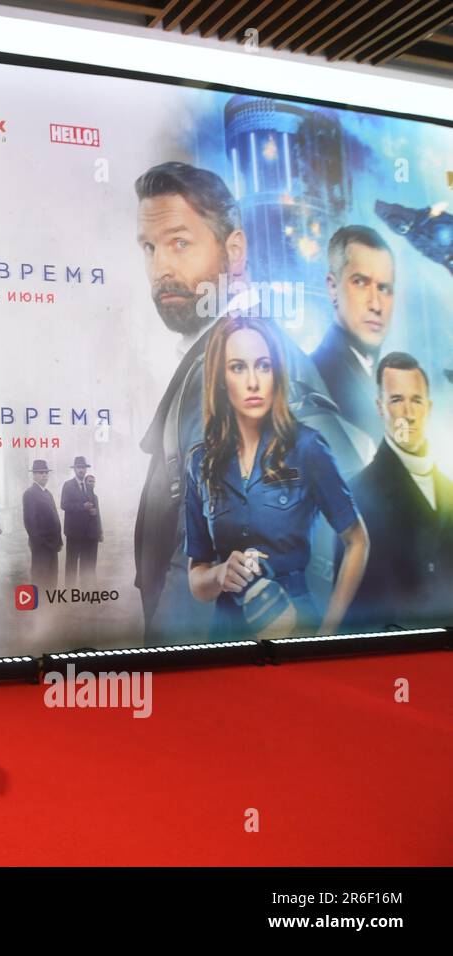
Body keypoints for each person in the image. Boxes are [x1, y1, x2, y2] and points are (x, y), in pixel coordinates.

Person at [132, 161, 366, 645]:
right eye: (149, 248)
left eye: (180, 243)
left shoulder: (268, 361)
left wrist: (310, 632)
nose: (161, 269)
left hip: (224, 664)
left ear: (233, 251)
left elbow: (338, 525)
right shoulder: (204, 357)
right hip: (196, 657)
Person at [183, 315, 369, 640]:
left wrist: (328, 633)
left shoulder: (307, 447)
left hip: (298, 628)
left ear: (276, 373)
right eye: (238, 367)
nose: (253, 382)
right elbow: (197, 580)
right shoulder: (201, 462)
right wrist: (219, 575)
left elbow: (357, 541)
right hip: (226, 635)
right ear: (221, 379)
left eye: (264, 365)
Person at [345, 352, 453, 628]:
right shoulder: (355, 495)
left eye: (416, 400)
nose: (407, 414)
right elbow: (353, 609)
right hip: (392, 655)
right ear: (380, 408)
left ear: (428, 408)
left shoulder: (449, 489)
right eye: (397, 400)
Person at [312, 225, 396, 447]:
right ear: (332, 288)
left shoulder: (395, 380)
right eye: (360, 282)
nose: (376, 304)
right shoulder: (312, 380)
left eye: (385, 288)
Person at [22, 459, 61, 590]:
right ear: (34, 475)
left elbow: (55, 518)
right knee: (40, 577)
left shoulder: (48, 493)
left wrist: (58, 540)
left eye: (46, 472)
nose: (44, 475)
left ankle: (50, 608)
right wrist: (41, 543)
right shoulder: (30, 494)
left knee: (52, 578)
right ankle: (38, 608)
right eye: (40, 472)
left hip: (53, 544)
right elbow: (30, 523)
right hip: (41, 546)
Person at [60, 455, 98, 588]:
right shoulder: (68, 485)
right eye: (79, 468)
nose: (81, 470)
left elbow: (92, 503)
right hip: (74, 533)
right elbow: (64, 505)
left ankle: (84, 591)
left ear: (86, 469)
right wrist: (82, 507)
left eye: (83, 468)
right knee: (71, 563)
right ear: (74, 469)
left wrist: (93, 511)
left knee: (85, 564)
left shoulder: (88, 486)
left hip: (88, 533)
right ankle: (69, 592)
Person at [82, 472, 104, 587]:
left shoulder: (95, 497)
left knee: (93, 559)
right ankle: (84, 584)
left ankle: (92, 582)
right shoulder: (82, 496)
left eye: (93, 481)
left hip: (94, 533)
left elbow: (98, 515)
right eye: (89, 481)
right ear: (85, 483)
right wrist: (87, 511)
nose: (92, 483)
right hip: (84, 534)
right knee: (85, 559)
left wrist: (100, 532)